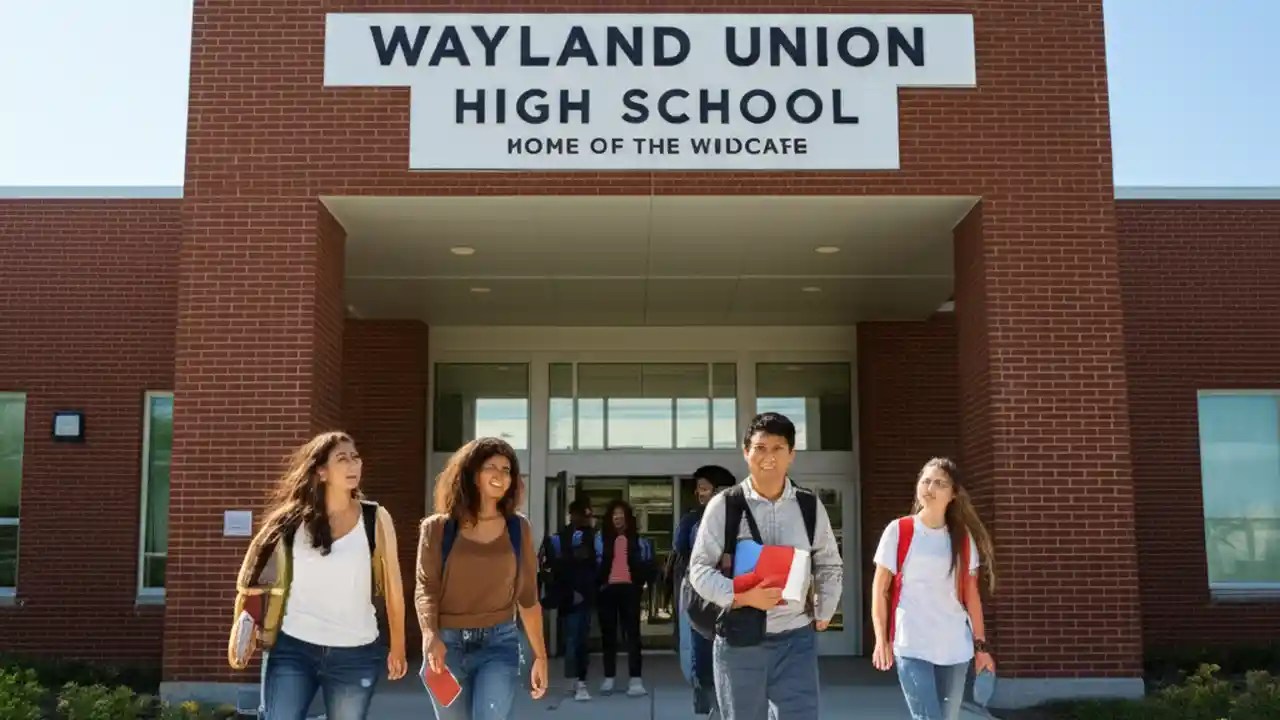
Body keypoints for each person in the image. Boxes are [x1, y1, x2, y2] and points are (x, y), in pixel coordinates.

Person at [239, 431, 408, 720]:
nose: (353, 464)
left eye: (355, 457)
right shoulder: (291, 520)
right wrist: (246, 623)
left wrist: (399, 646)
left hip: (355, 654)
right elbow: (252, 578)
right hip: (294, 647)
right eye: (343, 458)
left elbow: (394, 588)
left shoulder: (375, 518)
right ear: (322, 471)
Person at [687, 413, 844, 720]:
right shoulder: (725, 505)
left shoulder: (809, 506)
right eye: (760, 448)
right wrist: (741, 597)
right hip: (740, 640)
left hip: (796, 639)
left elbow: (828, 562)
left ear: (791, 455)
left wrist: (826, 608)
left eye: (777, 448)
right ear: (746, 453)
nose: (768, 457)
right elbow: (699, 569)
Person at [415, 437, 549, 720]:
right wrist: (430, 636)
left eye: (507, 469)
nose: (501, 475)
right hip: (446, 646)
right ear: (473, 474)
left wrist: (540, 656)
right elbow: (426, 589)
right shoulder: (438, 528)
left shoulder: (518, 528)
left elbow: (527, 597)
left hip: (499, 643)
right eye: (492, 467)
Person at [871, 457, 997, 720]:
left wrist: (981, 648)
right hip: (912, 644)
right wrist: (881, 638)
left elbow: (971, 596)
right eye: (926, 480)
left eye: (939, 483)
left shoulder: (961, 538)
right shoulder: (899, 531)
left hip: (955, 647)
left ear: (952, 494)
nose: (930, 487)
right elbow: (880, 590)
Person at [671, 465, 737, 716]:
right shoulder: (691, 520)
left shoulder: (741, 519)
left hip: (736, 598)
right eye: (698, 488)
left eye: (705, 488)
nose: (700, 493)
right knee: (701, 657)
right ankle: (708, 707)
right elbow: (681, 554)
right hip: (701, 600)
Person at [538, 498, 599, 701]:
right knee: (575, 640)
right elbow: (566, 566)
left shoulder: (583, 537)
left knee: (579, 640)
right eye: (586, 515)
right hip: (572, 595)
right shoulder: (569, 538)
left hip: (578, 595)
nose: (588, 519)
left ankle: (577, 681)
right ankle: (576, 682)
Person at [594, 499, 656, 697]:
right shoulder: (601, 539)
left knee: (633, 636)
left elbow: (648, 565)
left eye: (621, 514)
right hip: (608, 590)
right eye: (614, 515)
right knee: (609, 636)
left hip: (630, 590)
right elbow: (594, 564)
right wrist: (599, 585)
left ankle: (635, 680)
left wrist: (640, 584)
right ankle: (609, 677)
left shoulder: (638, 540)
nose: (617, 518)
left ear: (627, 518)